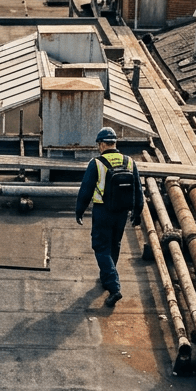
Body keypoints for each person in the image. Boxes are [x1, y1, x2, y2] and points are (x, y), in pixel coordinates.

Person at [74, 127, 143, 304]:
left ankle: (114, 287)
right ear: (115, 143)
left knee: (100, 247)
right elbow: (137, 189)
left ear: (103, 144)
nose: (98, 147)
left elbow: (85, 191)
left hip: (103, 211)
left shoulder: (96, 163)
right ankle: (107, 277)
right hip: (122, 212)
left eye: (99, 144)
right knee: (114, 244)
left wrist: (79, 211)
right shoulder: (129, 162)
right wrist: (137, 212)